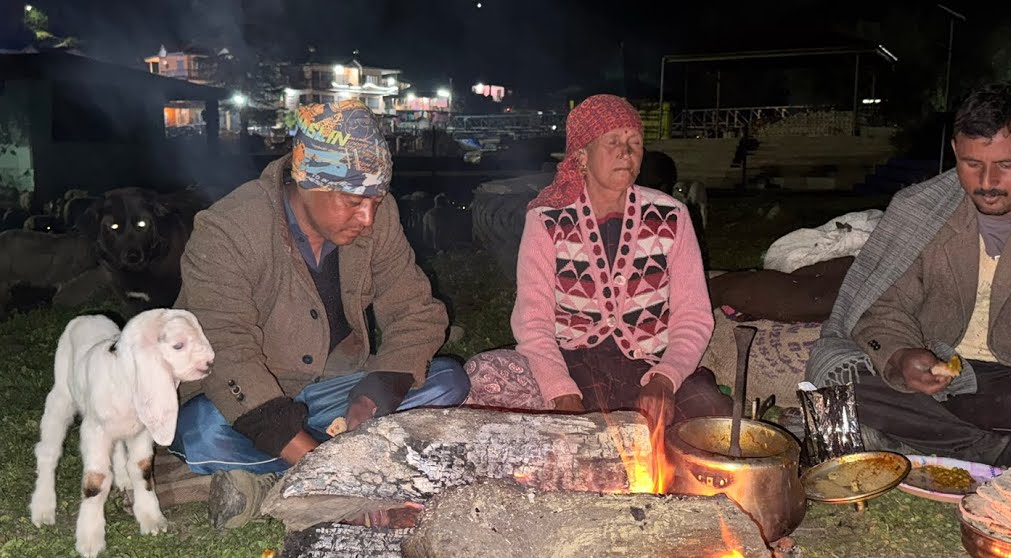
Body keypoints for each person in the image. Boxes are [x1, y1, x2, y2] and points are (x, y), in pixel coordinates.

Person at [168, 100, 470, 529]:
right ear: (307, 183)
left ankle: (268, 476)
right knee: (202, 427)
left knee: (446, 380)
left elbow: (415, 313)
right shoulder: (228, 230)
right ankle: (311, 466)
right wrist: (333, 475)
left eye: (375, 200)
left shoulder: (377, 218)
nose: (367, 218)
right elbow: (226, 353)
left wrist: (373, 395)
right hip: (245, 396)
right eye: (352, 202)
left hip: (332, 393)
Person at [807, 83, 1011, 474]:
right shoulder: (919, 210)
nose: (987, 182)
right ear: (955, 153)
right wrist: (900, 355)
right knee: (837, 377)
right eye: (971, 163)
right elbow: (880, 308)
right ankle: (1004, 451)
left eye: (1007, 165)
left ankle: (913, 439)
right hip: (934, 377)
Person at [497, 94, 731, 428]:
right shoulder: (548, 219)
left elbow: (693, 315)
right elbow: (533, 320)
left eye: (634, 142)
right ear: (581, 157)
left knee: (711, 418)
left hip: (650, 364)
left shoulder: (671, 215)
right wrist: (562, 392)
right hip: (574, 362)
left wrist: (665, 378)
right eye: (613, 142)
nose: (627, 151)